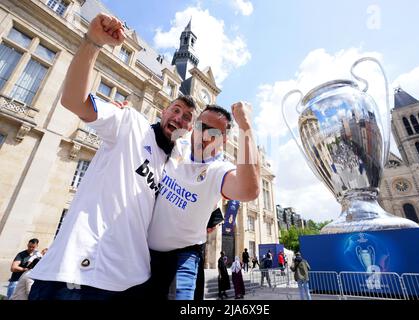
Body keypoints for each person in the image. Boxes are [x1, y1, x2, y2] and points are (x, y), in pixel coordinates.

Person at [28, 13, 196, 300]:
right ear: (163, 112)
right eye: (175, 109)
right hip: (76, 281)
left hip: (134, 283)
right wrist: (93, 42)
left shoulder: (174, 168)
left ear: (189, 129)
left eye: (187, 117)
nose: (179, 118)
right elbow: (74, 100)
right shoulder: (130, 122)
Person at [146, 102, 260, 300]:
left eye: (213, 133)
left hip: (182, 258)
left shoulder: (219, 169)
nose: (205, 135)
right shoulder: (177, 146)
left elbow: (249, 190)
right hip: (144, 253)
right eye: (201, 127)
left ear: (223, 140)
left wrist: (245, 126)